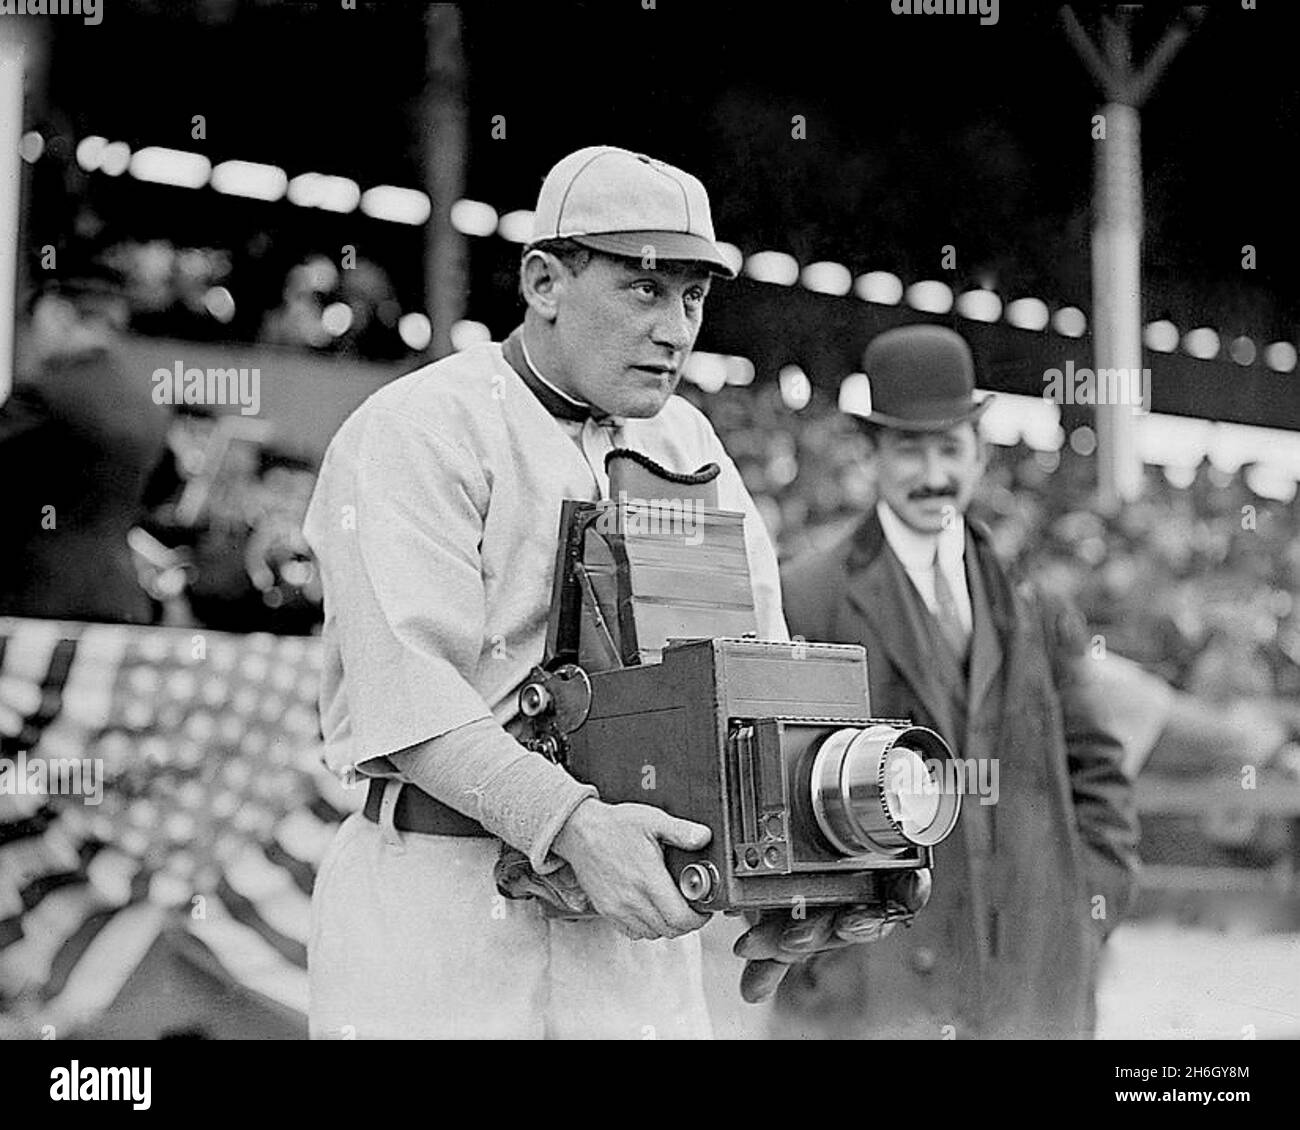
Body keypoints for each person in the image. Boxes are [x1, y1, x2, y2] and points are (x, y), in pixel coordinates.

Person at [302, 146, 922, 1039]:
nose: (677, 328)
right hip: (440, 899)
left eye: (694, 296)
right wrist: (573, 825)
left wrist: (813, 866)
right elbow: (409, 700)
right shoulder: (418, 428)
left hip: (630, 928)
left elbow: (760, 683)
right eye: (644, 289)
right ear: (545, 281)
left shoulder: (686, 442)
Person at [776, 324, 1141, 1039]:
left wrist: (1082, 914)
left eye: (950, 448)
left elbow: (1098, 771)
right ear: (872, 455)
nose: (933, 473)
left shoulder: (1033, 601)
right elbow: (780, 797)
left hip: (1030, 986)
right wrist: (824, 960)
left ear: (979, 454)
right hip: (878, 992)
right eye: (909, 449)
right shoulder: (807, 596)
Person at [0, 267, 169, 624]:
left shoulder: (47, 393)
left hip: (35, 604)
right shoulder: (147, 407)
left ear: (57, 314)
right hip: (120, 601)